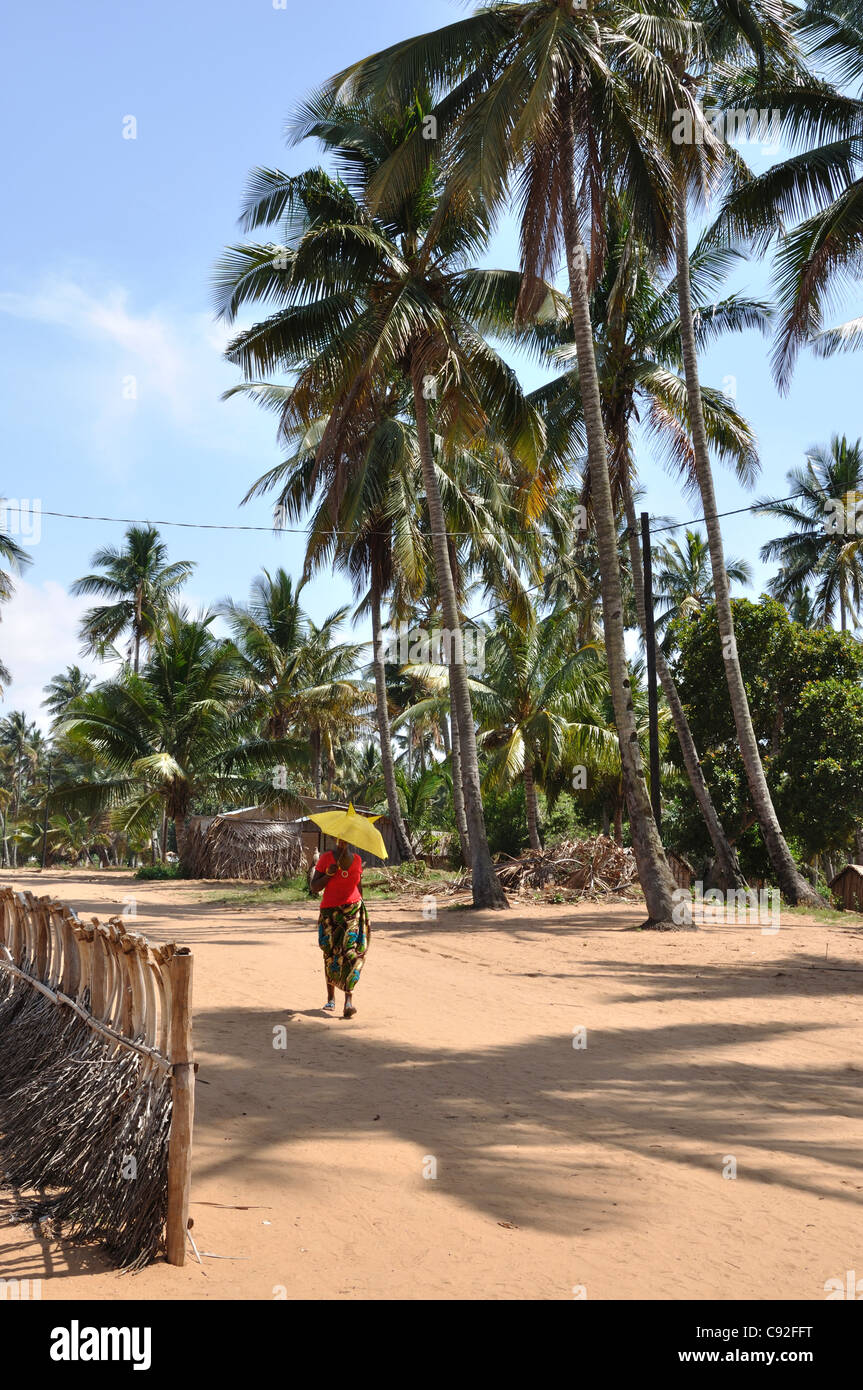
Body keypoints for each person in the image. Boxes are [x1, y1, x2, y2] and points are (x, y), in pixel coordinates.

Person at [309, 838, 369, 1018]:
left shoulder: (357, 860)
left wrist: (361, 912)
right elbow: (314, 887)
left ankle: (348, 1001)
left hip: (352, 910)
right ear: (336, 838)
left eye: (347, 838)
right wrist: (328, 874)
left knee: (350, 953)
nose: (343, 841)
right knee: (331, 953)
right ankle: (331, 998)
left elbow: (359, 887)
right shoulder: (326, 858)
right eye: (340, 837)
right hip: (330, 912)